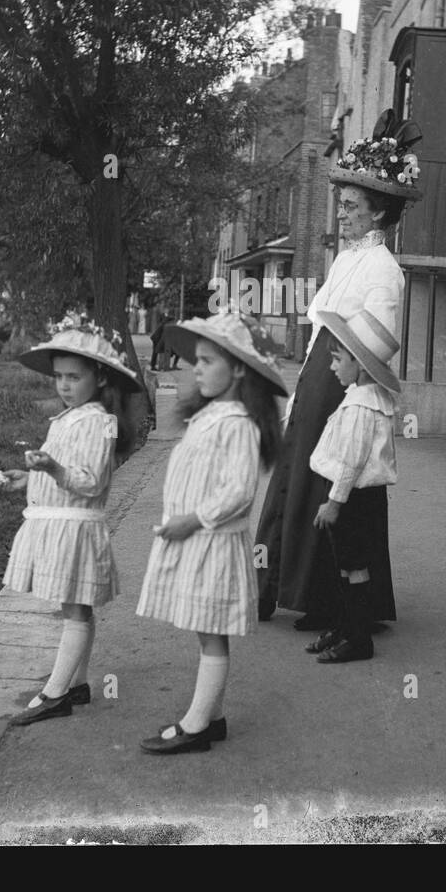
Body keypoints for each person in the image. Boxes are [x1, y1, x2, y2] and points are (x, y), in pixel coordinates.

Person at [256, 109, 422, 630]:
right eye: (342, 203)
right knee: (297, 479)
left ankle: (331, 599)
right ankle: (303, 592)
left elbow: (375, 348)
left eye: (352, 206)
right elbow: (321, 330)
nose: (342, 213)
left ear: (378, 214)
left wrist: (346, 400)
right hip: (318, 379)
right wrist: (303, 389)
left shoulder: (384, 270)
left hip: (341, 388)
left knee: (328, 483)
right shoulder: (346, 259)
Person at [136, 308, 286, 755]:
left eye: (206, 361)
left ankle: (198, 724)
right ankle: (211, 717)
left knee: (210, 631)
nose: (194, 368)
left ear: (238, 368)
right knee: (205, 628)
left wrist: (194, 519)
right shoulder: (209, 416)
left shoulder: (237, 423)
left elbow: (238, 491)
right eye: (195, 360)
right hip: (199, 539)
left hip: (213, 542)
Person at [0, 321, 144, 725]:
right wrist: (29, 477)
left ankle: (55, 693)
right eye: (59, 376)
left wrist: (55, 467)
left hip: (76, 529)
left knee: (76, 611)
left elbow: (90, 480)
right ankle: (77, 683)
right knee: (75, 607)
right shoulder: (69, 418)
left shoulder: (99, 422)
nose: (63, 385)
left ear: (99, 377)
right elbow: (61, 474)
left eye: (74, 377)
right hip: (62, 525)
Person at [307, 309, 401, 663]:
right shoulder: (363, 396)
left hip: (354, 497)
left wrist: (334, 503)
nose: (332, 367)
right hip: (360, 496)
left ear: (359, 365)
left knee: (354, 566)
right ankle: (347, 626)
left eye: (336, 359)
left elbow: (352, 462)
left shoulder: (362, 406)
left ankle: (359, 639)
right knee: (347, 564)